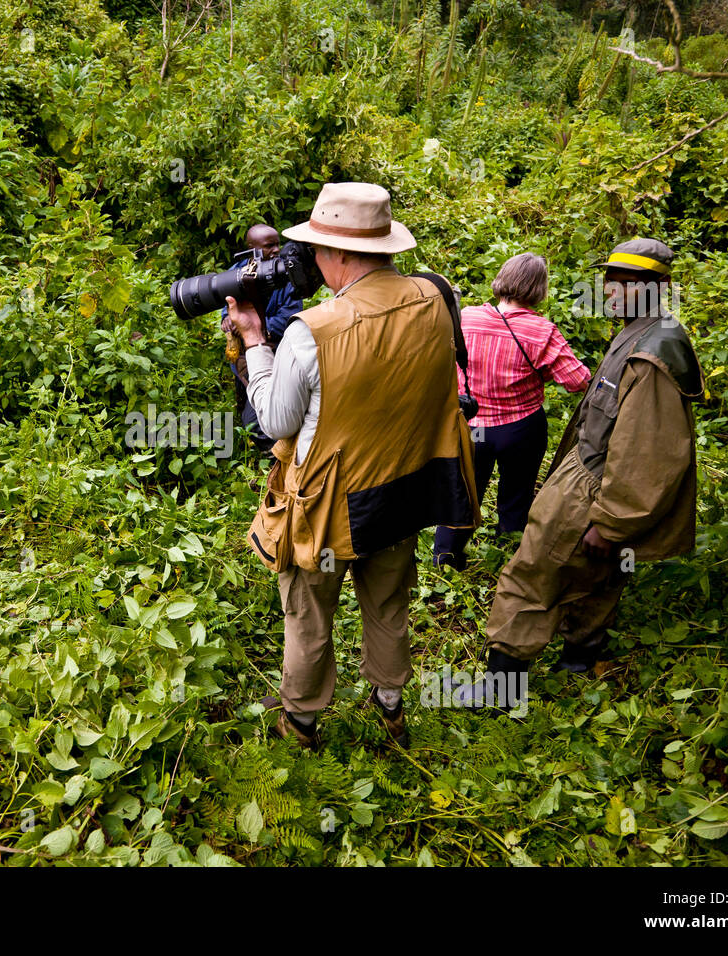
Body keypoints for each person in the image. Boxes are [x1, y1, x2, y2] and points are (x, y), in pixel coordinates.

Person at [225, 182, 479, 749]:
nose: (312, 259)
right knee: (389, 605)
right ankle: (391, 707)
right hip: (406, 487)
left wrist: (253, 342)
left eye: (316, 247)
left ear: (339, 253)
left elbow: (274, 422)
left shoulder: (310, 332)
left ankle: (302, 720)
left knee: (309, 614)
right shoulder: (437, 297)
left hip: (329, 508)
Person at [459, 238, 702, 711]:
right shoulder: (639, 331)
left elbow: (648, 451)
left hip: (594, 485)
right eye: (609, 277)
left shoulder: (654, 351)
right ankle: (579, 660)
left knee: (530, 576)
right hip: (591, 475)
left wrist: (612, 521)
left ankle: (501, 691)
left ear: (656, 287)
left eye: (624, 282)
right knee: (599, 574)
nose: (609, 288)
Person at [432, 253, 590, 570]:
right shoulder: (542, 331)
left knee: (461, 490)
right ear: (539, 289)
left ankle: (445, 561)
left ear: (502, 279)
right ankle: (508, 559)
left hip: (470, 424)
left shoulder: (466, 317)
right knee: (516, 496)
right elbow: (577, 381)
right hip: (520, 429)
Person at [220, 225, 303, 451]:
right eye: (269, 246)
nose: (276, 250)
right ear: (252, 249)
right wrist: (228, 320)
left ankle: (285, 452)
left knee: (261, 419)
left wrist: (257, 329)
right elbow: (225, 307)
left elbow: (290, 316)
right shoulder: (236, 273)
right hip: (245, 356)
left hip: (276, 353)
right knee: (247, 405)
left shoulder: (285, 274)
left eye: (278, 244)